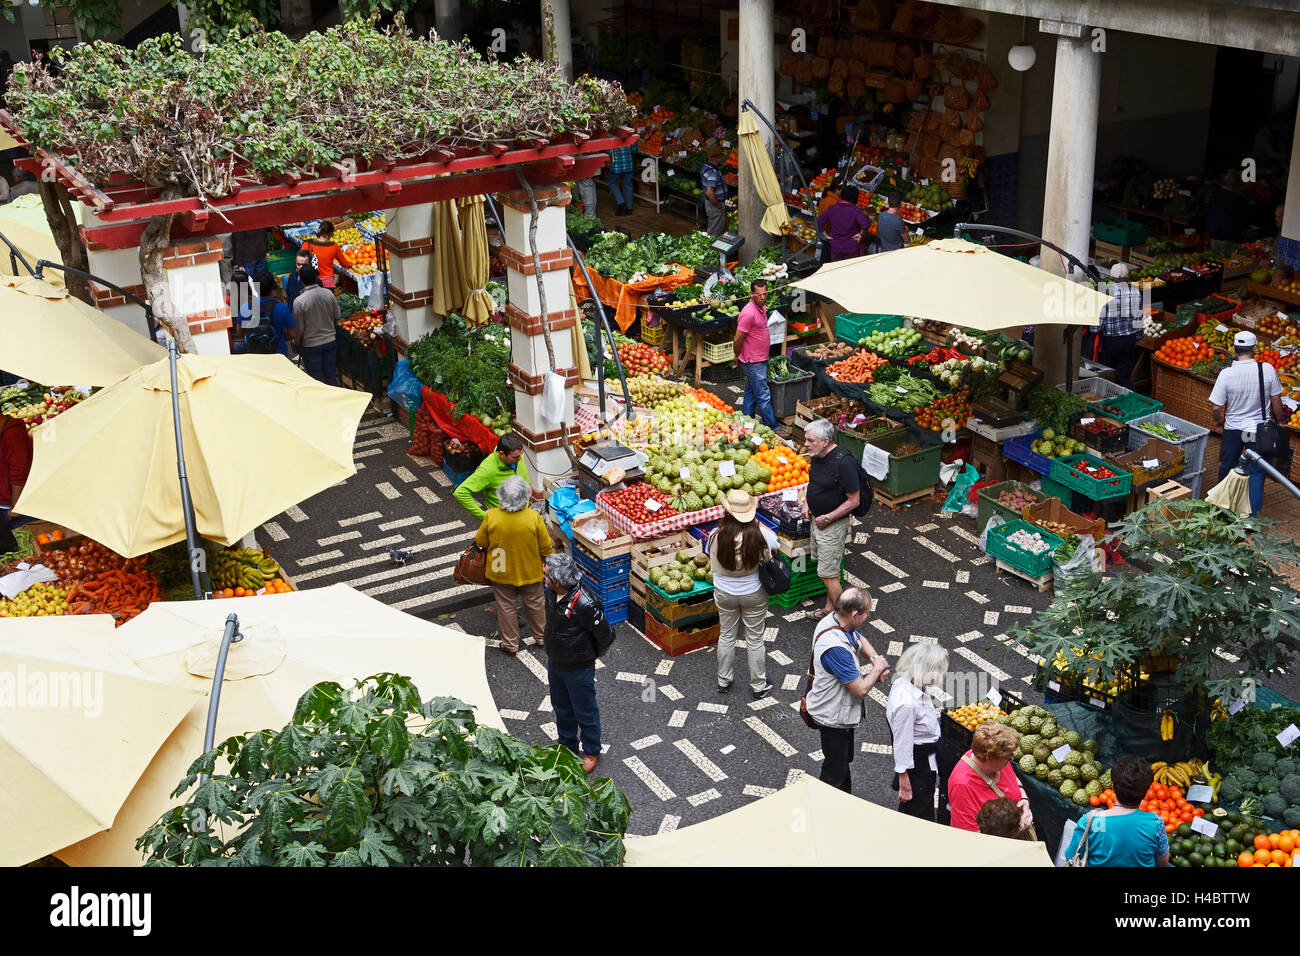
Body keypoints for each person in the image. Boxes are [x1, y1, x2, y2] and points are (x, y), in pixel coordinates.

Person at [805, 588, 890, 793]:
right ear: (854, 614)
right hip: (833, 717)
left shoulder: (836, 622)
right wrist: (877, 669)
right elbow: (859, 690)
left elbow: (858, 638)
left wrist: (873, 658)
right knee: (834, 772)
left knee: (842, 763)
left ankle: (844, 800)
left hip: (839, 713)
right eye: (866, 613)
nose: (868, 616)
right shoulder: (836, 648)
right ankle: (827, 809)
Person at [705, 490, 778, 699]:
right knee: (755, 639)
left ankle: (723, 681)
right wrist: (759, 526)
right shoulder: (759, 535)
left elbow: (709, 555)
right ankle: (758, 685)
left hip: (724, 593)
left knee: (727, 635)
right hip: (754, 593)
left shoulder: (715, 535)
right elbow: (776, 544)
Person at [542, 552, 608, 773]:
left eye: (546, 576)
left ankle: (591, 751)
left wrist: (590, 656)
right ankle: (567, 744)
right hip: (556, 662)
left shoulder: (585, 604)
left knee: (585, 711)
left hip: (578, 668)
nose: (543, 578)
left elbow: (606, 635)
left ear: (558, 582)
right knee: (561, 707)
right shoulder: (551, 593)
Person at [1210, 330, 1286, 517]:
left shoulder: (1226, 374)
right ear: (1253, 349)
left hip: (1233, 430)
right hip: (1258, 431)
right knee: (1257, 472)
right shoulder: (1266, 369)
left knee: (1228, 466)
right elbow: (1276, 401)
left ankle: (1222, 510)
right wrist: (1279, 420)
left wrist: (1219, 423)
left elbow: (1216, 407)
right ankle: (1252, 517)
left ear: (1234, 349)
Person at [475, 475, 553, 657]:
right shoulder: (533, 517)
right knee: (535, 603)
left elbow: (480, 541)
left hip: (500, 570)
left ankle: (510, 643)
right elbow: (546, 546)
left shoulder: (492, 516)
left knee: (506, 607)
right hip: (530, 569)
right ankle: (541, 637)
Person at [1059, 755, 1170, 867]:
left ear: (1112, 787)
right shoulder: (1155, 824)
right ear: (1146, 792)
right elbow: (1163, 863)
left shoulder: (1093, 822)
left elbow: (1071, 856)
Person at [801, 418, 862, 620]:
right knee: (831, 572)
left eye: (810, 440)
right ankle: (829, 609)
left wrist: (828, 518)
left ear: (825, 441)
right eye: (806, 440)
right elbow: (815, 482)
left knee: (826, 573)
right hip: (818, 521)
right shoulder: (818, 455)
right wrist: (807, 503)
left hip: (831, 526)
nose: (806, 444)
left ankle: (845, 620)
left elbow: (854, 501)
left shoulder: (844, 463)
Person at [886, 643, 948, 822]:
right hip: (918, 766)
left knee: (915, 810)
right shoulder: (906, 703)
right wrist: (904, 782)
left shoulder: (906, 683)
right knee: (919, 812)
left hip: (925, 759)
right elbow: (902, 742)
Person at [947, 722, 1034, 834]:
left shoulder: (997, 761)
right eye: (1008, 757)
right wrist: (1016, 830)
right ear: (990, 758)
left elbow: (1013, 780)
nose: (1011, 758)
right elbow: (970, 836)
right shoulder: (963, 785)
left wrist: (1024, 799)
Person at [453, 433, 544, 520]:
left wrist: (527, 484)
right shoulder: (488, 469)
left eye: (521, 454)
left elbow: (521, 471)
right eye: (516, 457)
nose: (520, 458)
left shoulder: (516, 457)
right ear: (501, 454)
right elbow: (461, 492)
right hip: (502, 523)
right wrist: (484, 516)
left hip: (522, 516)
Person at [732, 280, 778, 429]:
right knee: (763, 395)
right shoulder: (748, 313)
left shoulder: (761, 307)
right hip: (753, 361)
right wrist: (736, 355)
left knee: (751, 392)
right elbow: (738, 338)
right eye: (759, 295)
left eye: (765, 293)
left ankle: (746, 422)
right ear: (751, 294)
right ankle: (772, 426)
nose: (763, 297)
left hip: (759, 358)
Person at [291, 265, 341, 386]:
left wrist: (296, 344)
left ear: (301, 280)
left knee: (316, 382)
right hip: (330, 342)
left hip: (311, 346)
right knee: (331, 378)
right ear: (316, 277)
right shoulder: (328, 294)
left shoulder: (299, 301)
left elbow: (300, 329)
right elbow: (338, 316)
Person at [1096, 263, 1144, 388]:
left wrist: (1093, 329)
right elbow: (1138, 318)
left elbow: (1098, 324)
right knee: (1124, 377)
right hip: (1128, 340)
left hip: (1110, 341)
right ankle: (1129, 403)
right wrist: (1138, 336)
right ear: (1128, 277)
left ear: (1111, 278)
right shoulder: (1136, 292)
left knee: (1107, 377)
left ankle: (1106, 402)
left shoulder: (1105, 292)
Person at [247, 271, 296, 357]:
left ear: (255, 287)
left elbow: (240, 331)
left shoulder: (246, 308)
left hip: (256, 354)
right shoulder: (282, 308)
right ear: (272, 287)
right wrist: (280, 339)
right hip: (279, 353)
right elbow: (292, 334)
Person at [816, 183, 870, 261]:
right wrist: (860, 233)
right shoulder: (855, 210)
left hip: (836, 246)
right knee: (849, 270)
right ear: (855, 199)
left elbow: (820, 220)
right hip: (851, 247)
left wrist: (825, 235)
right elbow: (866, 224)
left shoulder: (832, 208)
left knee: (836, 268)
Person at [300, 221, 355, 290]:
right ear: (330, 234)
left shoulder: (307, 244)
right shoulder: (334, 246)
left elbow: (300, 262)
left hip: (310, 281)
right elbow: (344, 264)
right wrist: (351, 265)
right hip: (327, 282)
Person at [0, 412, 33, 528]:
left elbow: (19, 471)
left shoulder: (13, 434)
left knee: (23, 542)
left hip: (12, 509)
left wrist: (15, 506)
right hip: (5, 504)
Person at [1204, 170, 1251, 251]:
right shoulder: (1238, 199)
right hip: (1230, 239)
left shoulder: (1215, 194)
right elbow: (1243, 220)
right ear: (1236, 184)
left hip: (1213, 236)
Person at [701, 145, 729, 238]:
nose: (722, 158)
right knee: (715, 231)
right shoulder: (712, 173)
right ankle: (714, 250)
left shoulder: (706, 167)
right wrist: (718, 206)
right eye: (720, 156)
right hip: (714, 205)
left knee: (718, 227)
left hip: (711, 204)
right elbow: (710, 192)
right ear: (717, 158)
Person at [607, 145, 635, 217]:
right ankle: (629, 208)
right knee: (628, 184)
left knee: (612, 182)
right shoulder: (630, 135)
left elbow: (608, 152)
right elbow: (634, 150)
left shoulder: (611, 136)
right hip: (628, 164)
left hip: (615, 165)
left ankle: (621, 202)